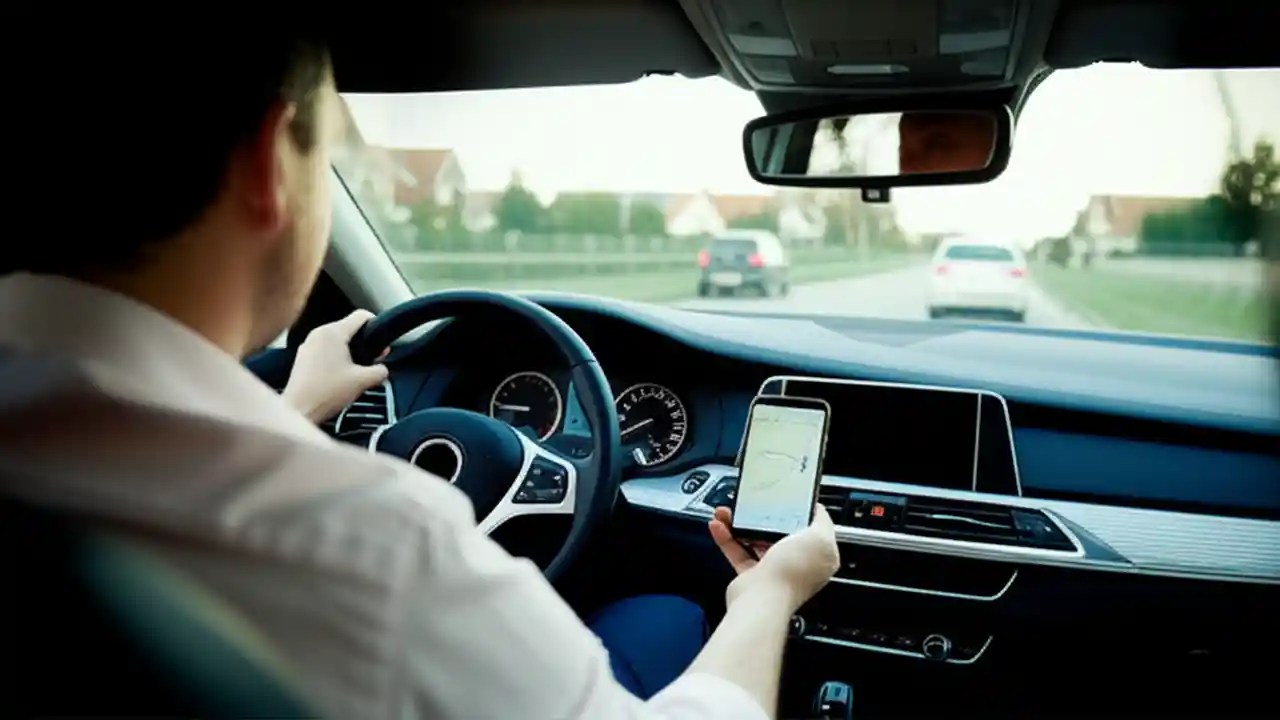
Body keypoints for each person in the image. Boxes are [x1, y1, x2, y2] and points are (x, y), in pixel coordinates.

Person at [0, 28, 839, 719]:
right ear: (267, 168)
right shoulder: (376, 546)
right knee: (666, 617)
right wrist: (770, 593)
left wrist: (293, 409)